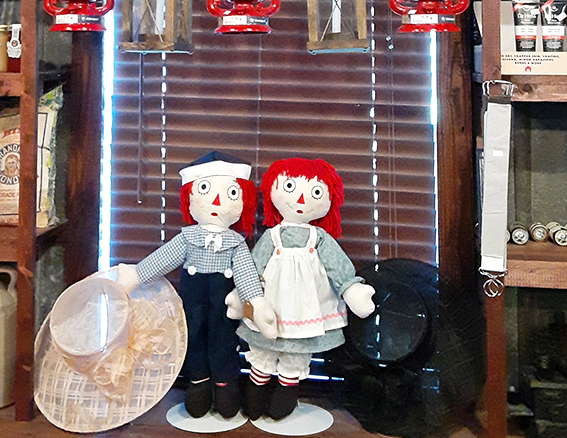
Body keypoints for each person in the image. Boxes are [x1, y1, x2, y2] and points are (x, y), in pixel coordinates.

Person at [117, 151, 276, 420]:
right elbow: (162, 259)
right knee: (191, 340)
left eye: (230, 194)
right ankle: (198, 383)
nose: (216, 200)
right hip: (191, 304)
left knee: (225, 344)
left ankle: (225, 388)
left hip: (223, 309)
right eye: (205, 190)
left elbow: (247, 275)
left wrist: (258, 305)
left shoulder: (236, 244)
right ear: (190, 197)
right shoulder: (187, 238)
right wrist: (136, 275)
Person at [228, 156, 375, 421]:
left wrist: (351, 289)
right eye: (290, 188)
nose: (301, 199)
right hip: (269, 305)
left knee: (296, 355)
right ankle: (256, 388)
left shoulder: (319, 238)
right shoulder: (271, 236)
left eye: (315, 192)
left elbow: (337, 266)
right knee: (262, 350)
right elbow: (253, 267)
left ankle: (286, 390)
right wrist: (242, 294)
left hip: (306, 307)